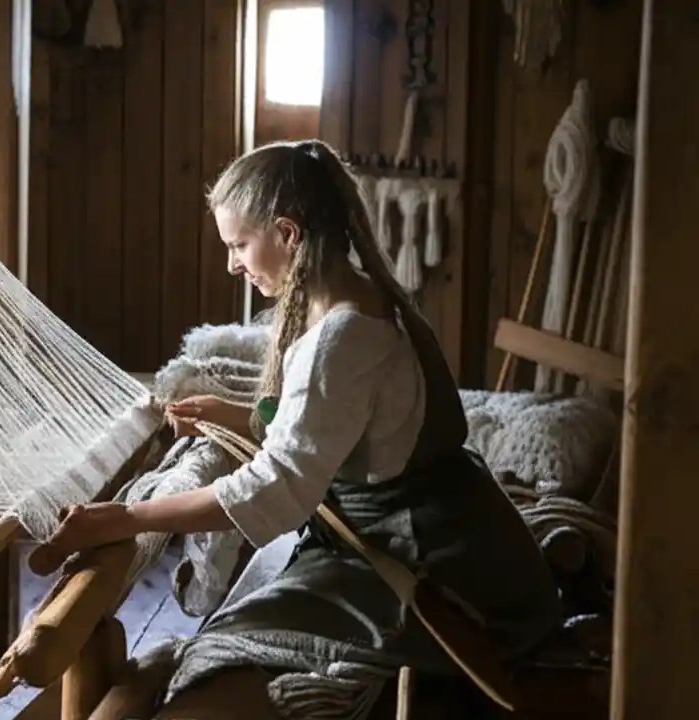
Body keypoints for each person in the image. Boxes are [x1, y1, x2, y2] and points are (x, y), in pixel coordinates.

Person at [37, 140, 561, 718]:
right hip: (440, 527)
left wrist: (124, 517)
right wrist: (229, 414)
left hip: (431, 559)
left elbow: (277, 488)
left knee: (218, 658)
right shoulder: (356, 297)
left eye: (239, 245)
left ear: (287, 234)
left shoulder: (344, 335)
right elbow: (329, 426)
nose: (233, 263)